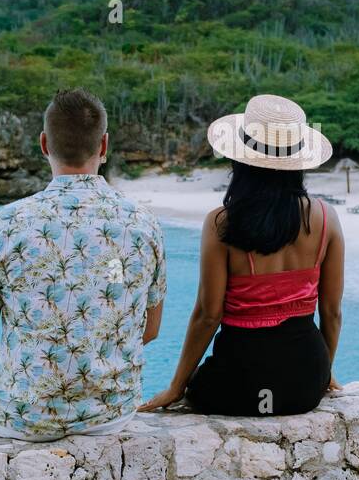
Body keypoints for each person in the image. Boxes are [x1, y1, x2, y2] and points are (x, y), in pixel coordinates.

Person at [0, 88, 165, 441]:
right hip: (111, 412)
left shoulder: (4, 223)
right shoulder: (144, 224)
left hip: (22, 411)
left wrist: (23, 385)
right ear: (104, 146)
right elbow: (150, 329)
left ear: (43, 144)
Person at [140, 94, 343, 417]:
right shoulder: (326, 217)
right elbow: (331, 312)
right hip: (305, 384)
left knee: (204, 386)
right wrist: (324, 371)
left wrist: (177, 386)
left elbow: (208, 315)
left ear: (241, 160)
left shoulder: (221, 224)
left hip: (238, 383)